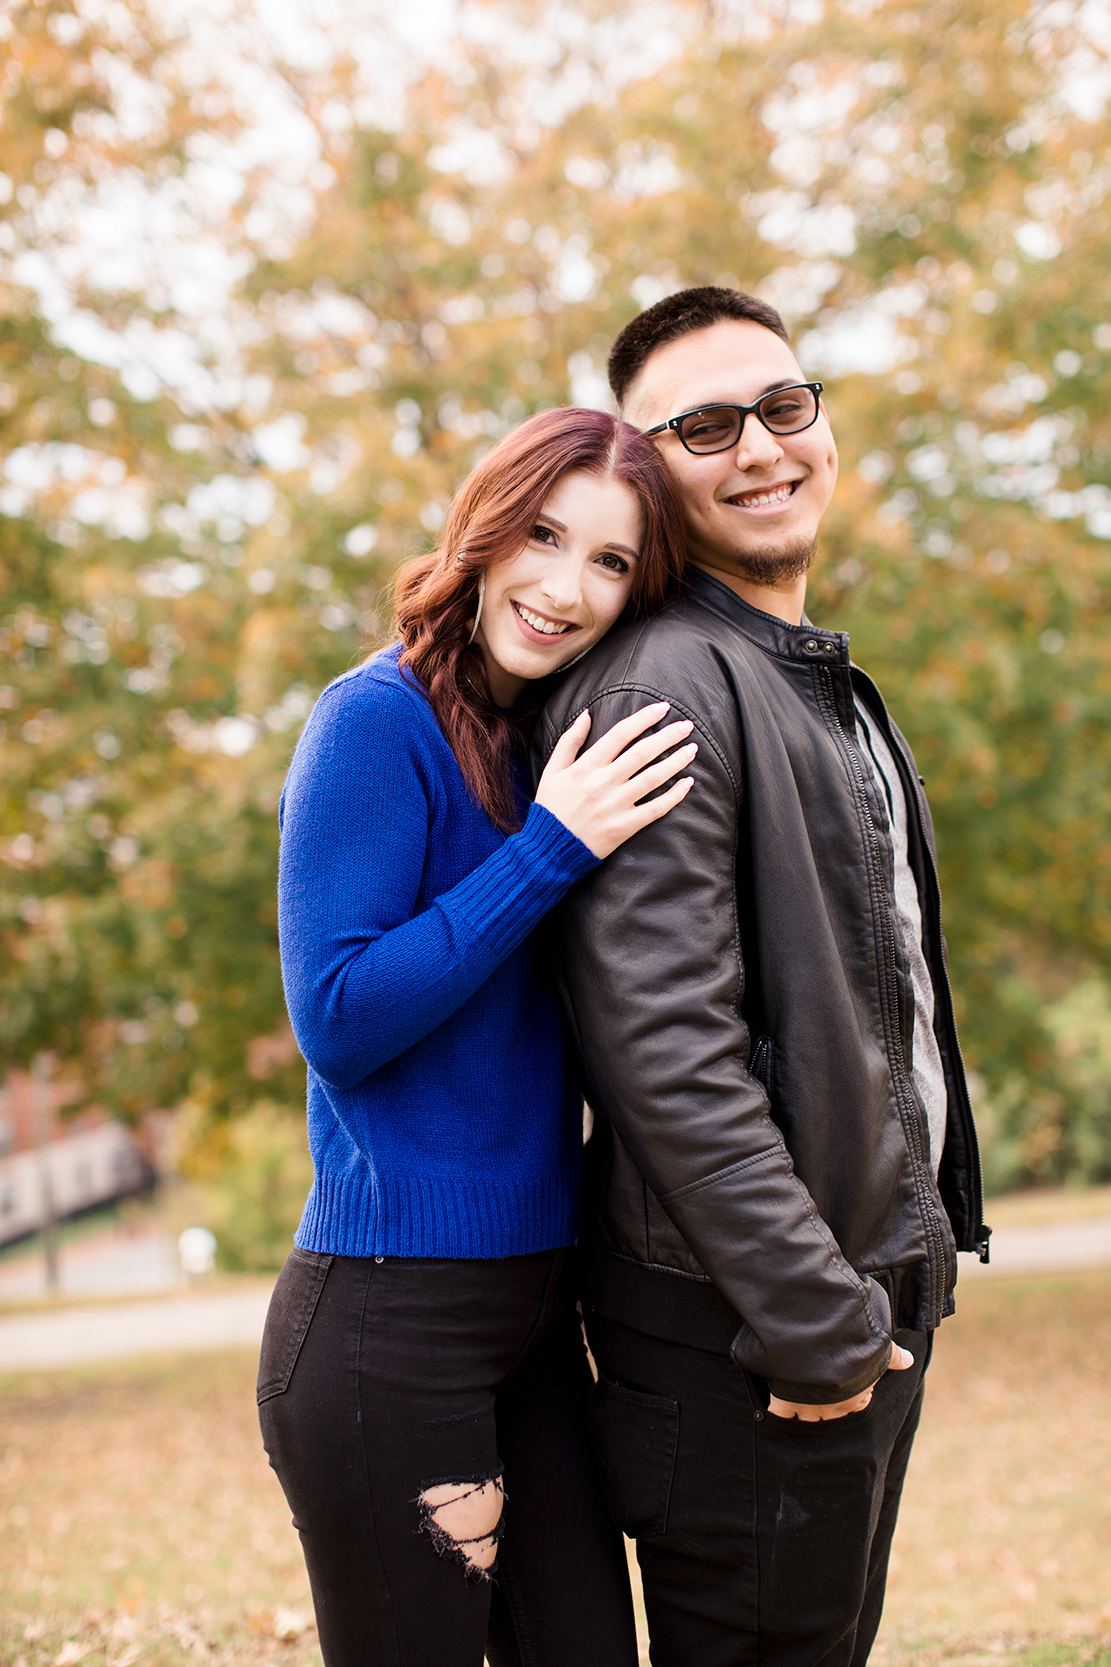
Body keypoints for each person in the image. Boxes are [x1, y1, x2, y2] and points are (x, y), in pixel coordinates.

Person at [534, 289, 991, 1667]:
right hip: (751, 1334)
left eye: (783, 406)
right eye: (705, 424)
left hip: (838, 1303)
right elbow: (661, 1042)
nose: (759, 447)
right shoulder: (667, 681)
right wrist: (814, 1325)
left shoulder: (805, 677)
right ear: (645, 465)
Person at [256, 405, 694, 1667]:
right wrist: (551, 848)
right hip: (388, 1326)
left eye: (610, 560)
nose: (565, 586)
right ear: (485, 528)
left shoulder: (547, 739)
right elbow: (337, 1016)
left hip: (538, 1310)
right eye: (545, 535)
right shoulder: (372, 719)